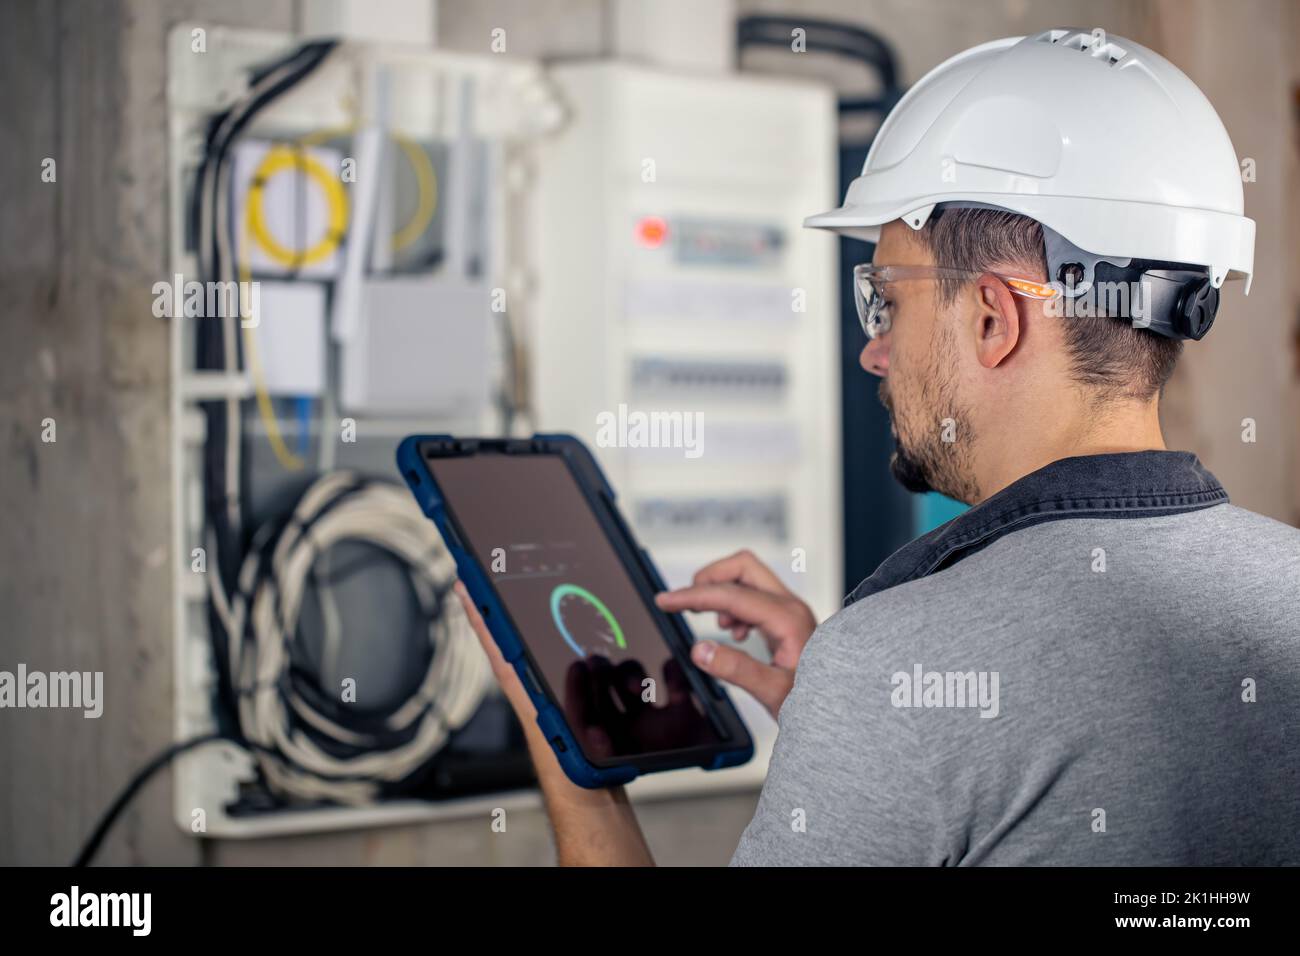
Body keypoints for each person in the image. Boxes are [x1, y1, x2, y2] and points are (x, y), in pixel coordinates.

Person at [454, 28, 1300, 865]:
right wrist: (861, 746)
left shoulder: (889, 663)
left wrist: (568, 749)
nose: (873, 350)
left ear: (992, 319)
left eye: (887, 302)